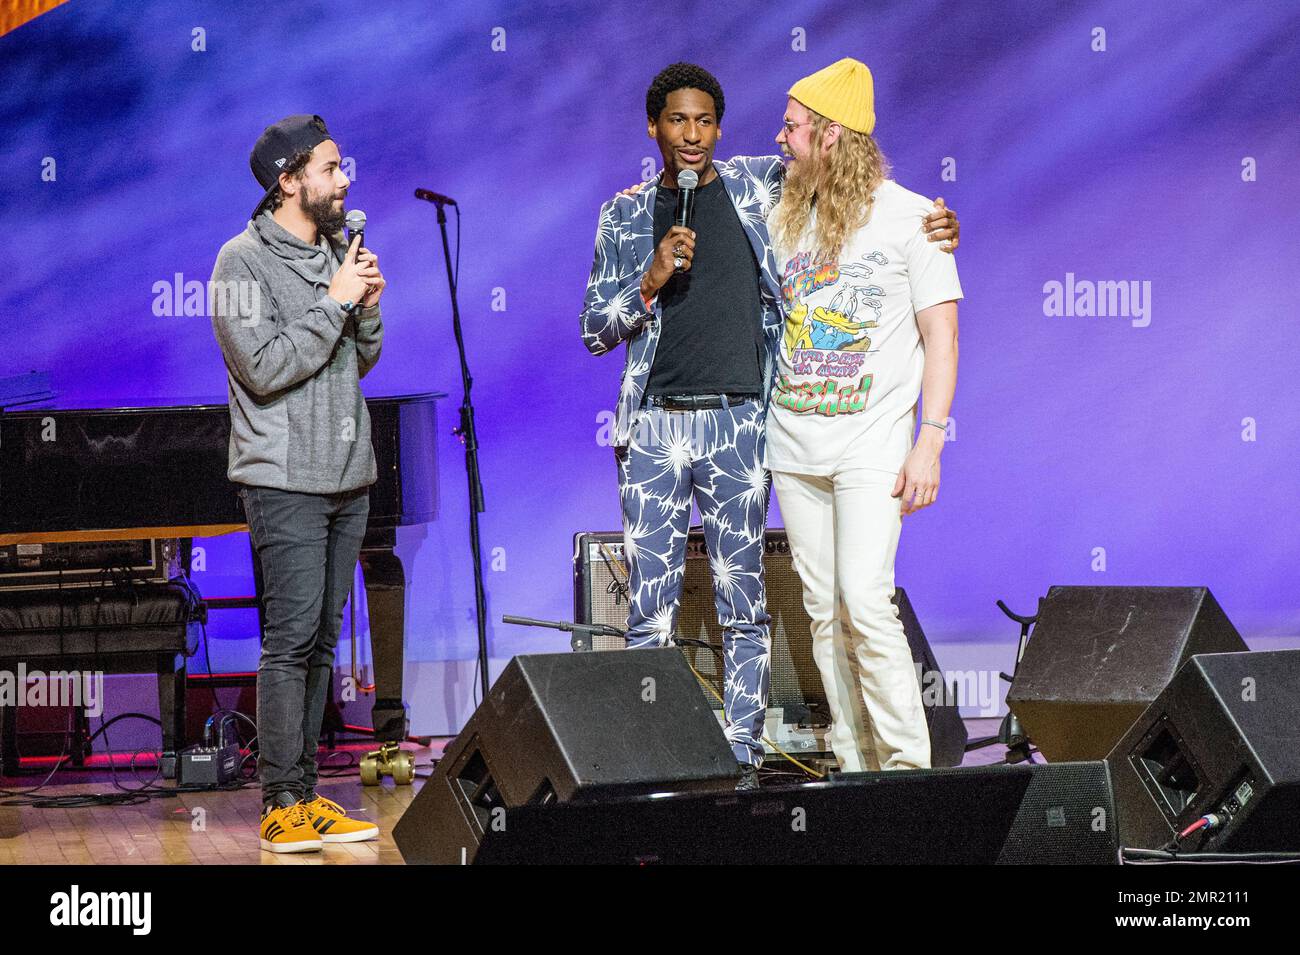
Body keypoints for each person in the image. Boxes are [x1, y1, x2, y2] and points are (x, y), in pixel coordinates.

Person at [580, 64, 959, 788]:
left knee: (798, 602)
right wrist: (649, 279)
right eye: (676, 121)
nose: (693, 136)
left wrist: (943, 225)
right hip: (707, 432)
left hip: (772, 428)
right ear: (653, 126)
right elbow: (594, 328)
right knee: (694, 612)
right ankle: (663, 758)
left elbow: (932, 311)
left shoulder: (783, 192)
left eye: (706, 122)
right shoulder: (655, 212)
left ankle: (818, 764)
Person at [767, 59, 962, 772]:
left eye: (792, 126)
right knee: (822, 611)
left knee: (865, 599)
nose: (781, 137)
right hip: (792, 442)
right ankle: (856, 766)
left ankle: (909, 770)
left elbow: (942, 335)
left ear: (828, 134)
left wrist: (930, 441)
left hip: (871, 444)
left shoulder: (915, 219)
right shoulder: (785, 210)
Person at [210, 114, 385, 851]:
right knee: (288, 640)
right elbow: (268, 366)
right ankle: (279, 799)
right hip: (284, 478)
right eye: (330, 167)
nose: (344, 179)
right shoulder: (239, 263)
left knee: (321, 644)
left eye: (344, 166)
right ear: (288, 181)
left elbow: (359, 362)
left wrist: (366, 307)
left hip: (348, 474)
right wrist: (338, 300)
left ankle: (307, 793)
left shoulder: (336, 253)